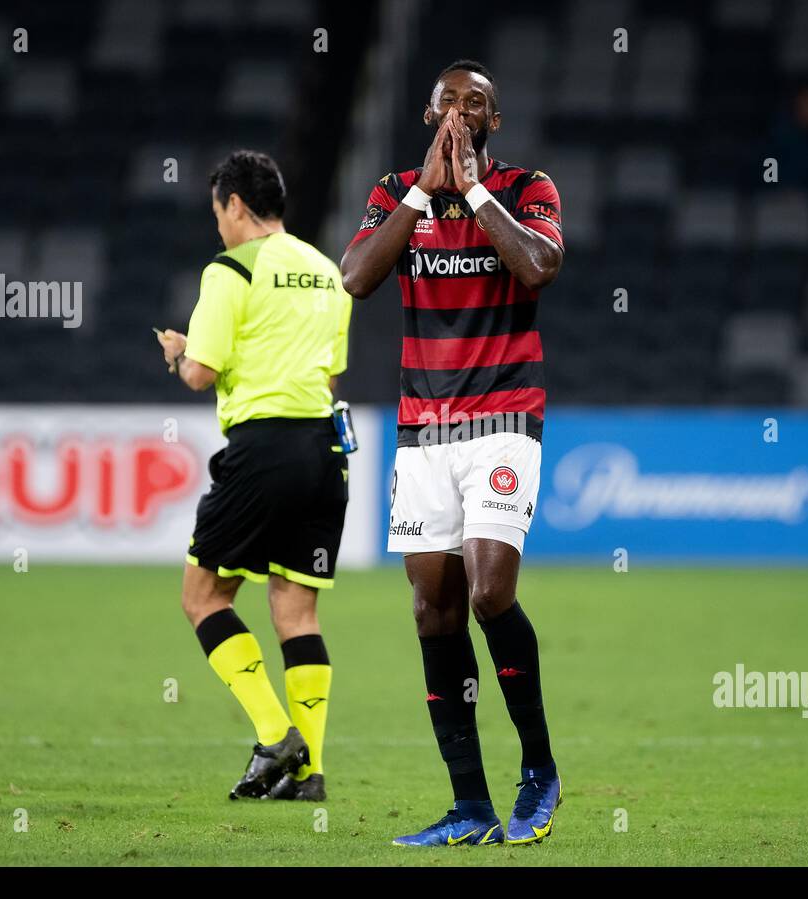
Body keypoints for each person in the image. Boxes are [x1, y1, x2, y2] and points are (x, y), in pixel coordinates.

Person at [340, 59, 565, 846]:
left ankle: (538, 769)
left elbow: (538, 264)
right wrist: (421, 193)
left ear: (493, 122)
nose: (461, 114)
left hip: (504, 414)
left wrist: (470, 191)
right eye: (449, 103)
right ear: (428, 114)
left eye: (476, 105)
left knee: (488, 592)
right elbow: (356, 278)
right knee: (433, 609)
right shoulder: (390, 191)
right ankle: (470, 806)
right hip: (424, 430)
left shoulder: (530, 188)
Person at [157, 150, 351, 799]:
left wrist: (180, 353)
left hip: (262, 449)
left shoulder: (231, 269)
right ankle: (312, 773)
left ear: (236, 205)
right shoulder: (328, 272)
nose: (218, 226)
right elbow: (329, 375)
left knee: (203, 598)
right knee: (297, 612)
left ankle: (275, 735)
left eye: (218, 212)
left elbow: (203, 373)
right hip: (325, 450)